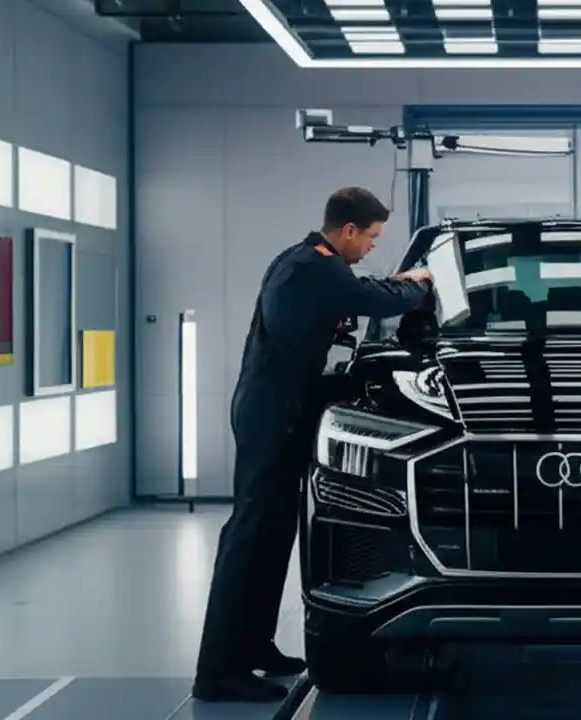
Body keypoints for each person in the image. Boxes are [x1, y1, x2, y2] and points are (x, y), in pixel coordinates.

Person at [192, 187, 433, 702]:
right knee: (250, 536)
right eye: (370, 237)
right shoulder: (316, 269)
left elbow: (358, 291)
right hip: (272, 417)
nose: (371, 247)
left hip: (279, 410)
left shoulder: (305, 261)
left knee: (276, 532)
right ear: (348, 230)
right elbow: (373, 297)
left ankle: (255, 648)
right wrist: (417, 284)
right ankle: (216, 672)